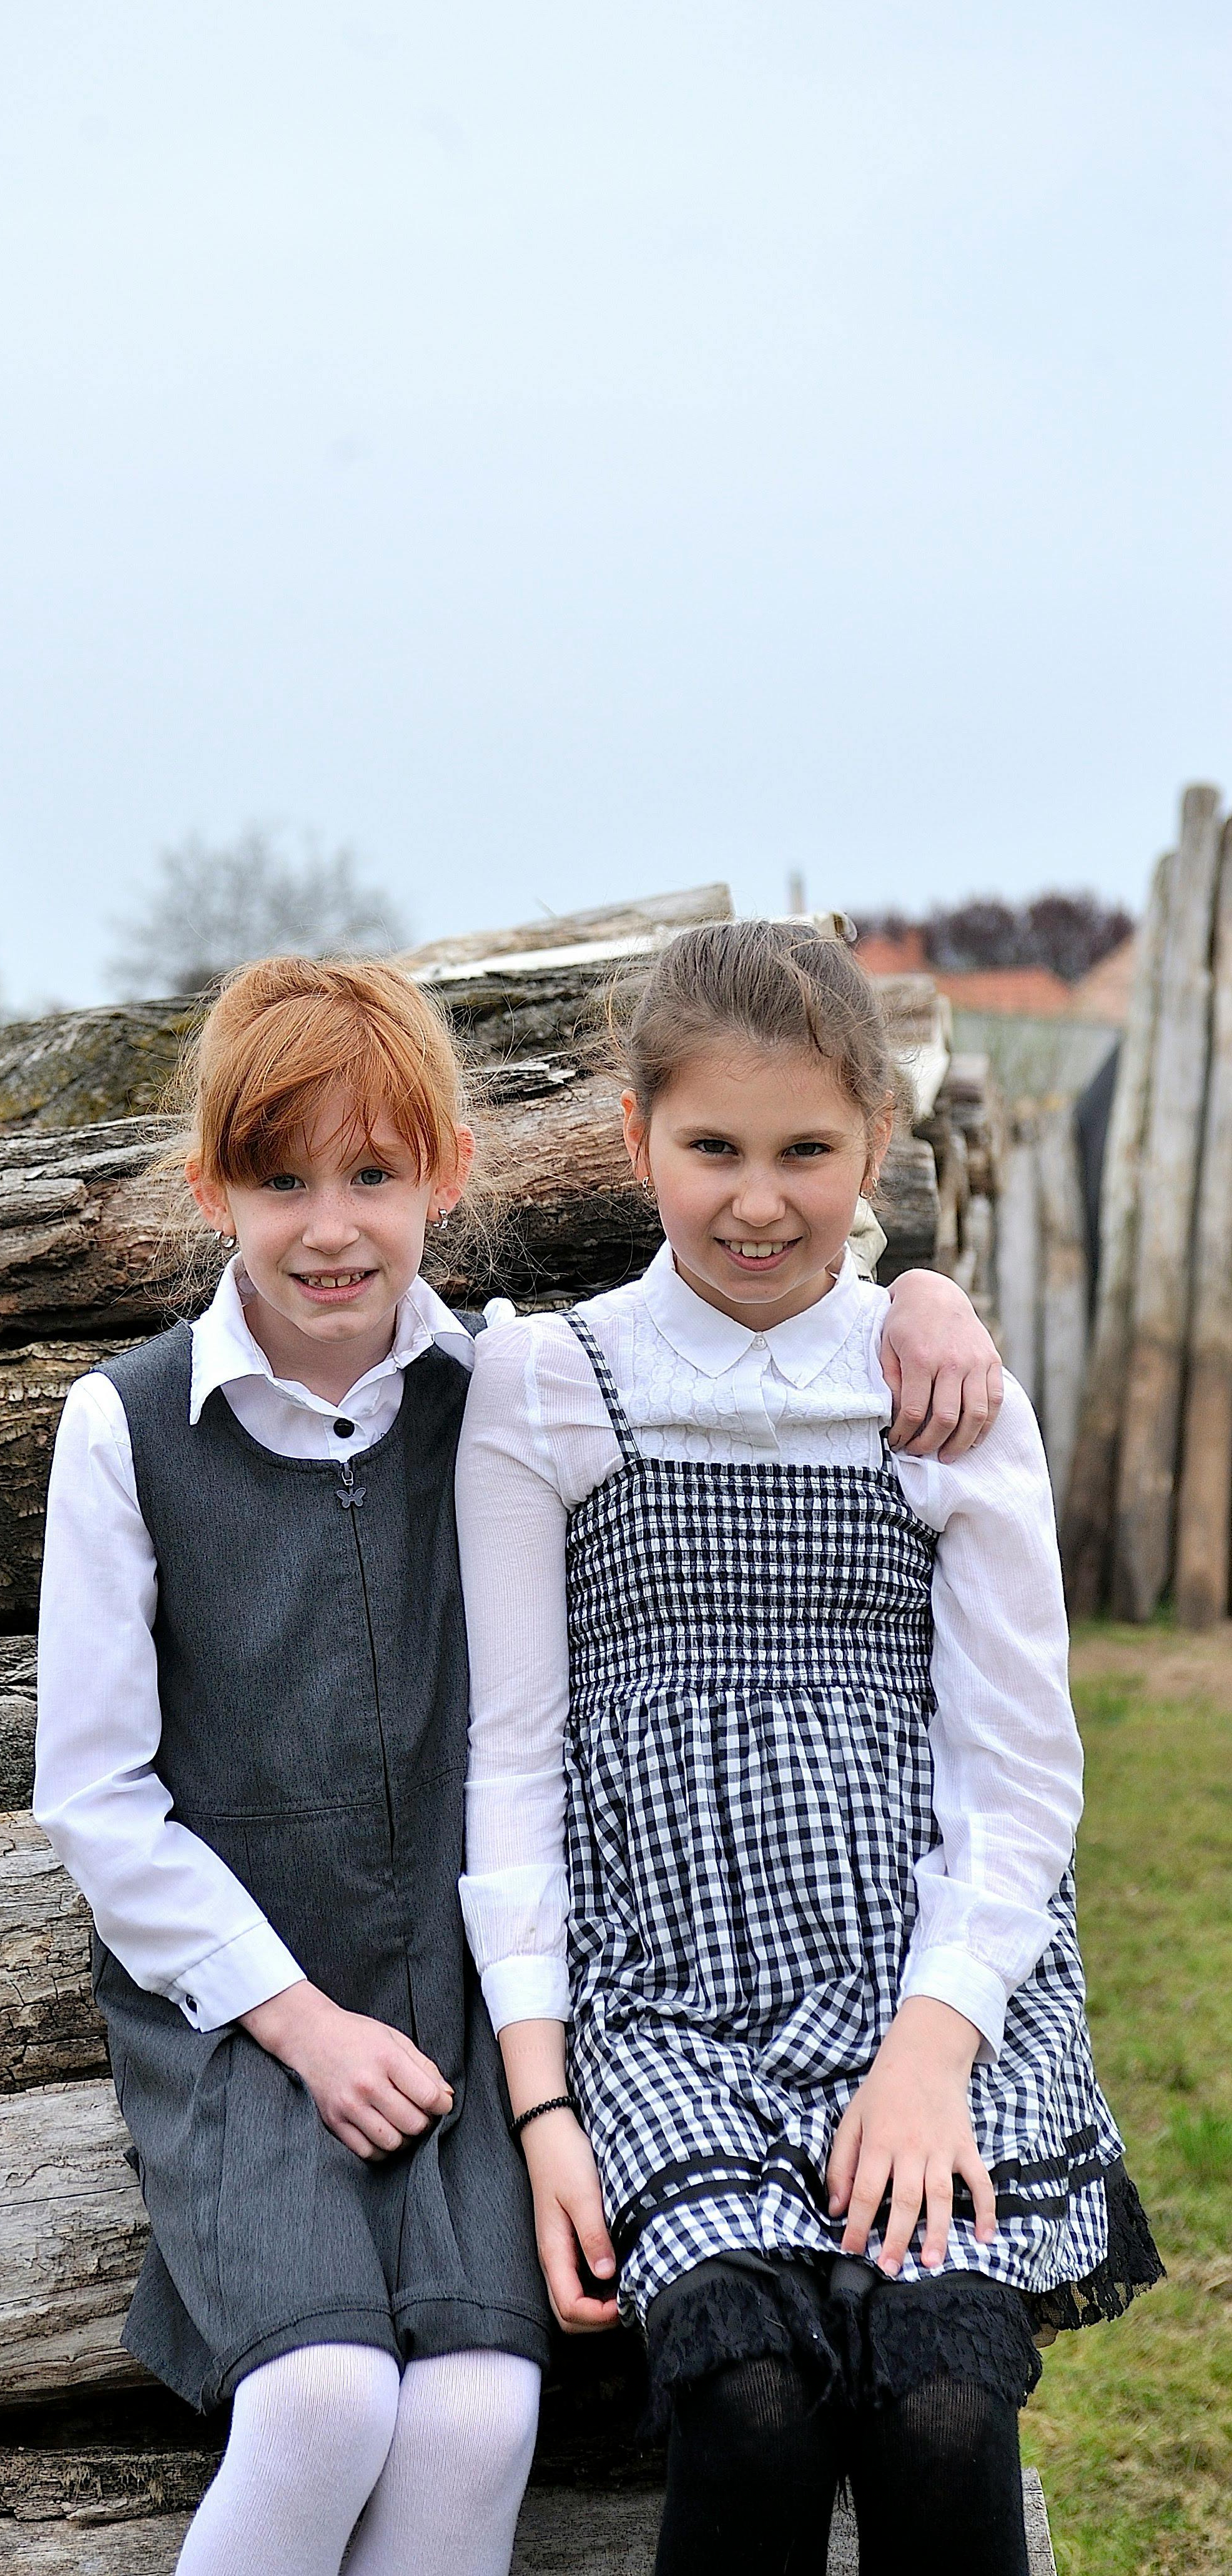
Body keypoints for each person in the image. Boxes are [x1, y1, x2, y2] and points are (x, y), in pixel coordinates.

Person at [34, 949, 1010, 2576]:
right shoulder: (126, 1430)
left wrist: (923, 1290)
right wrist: (299, 2026)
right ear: (211, 1189)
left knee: (484, 2414)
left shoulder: (507, 1384)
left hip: (463, 2006)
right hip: (253, 2016)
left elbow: (759, 1304)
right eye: (279, 1181)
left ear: (447, 1174)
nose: (330, 1224)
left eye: (373, 1173)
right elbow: (94, 1795)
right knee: (328, 2401)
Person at [456, 921, 1161, 2576]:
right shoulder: (554, 1389)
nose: (757, 1201)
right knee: (757, 2395)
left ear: (878, 1151)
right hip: (662, 1997)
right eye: (711, 1148)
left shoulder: (939, 1392)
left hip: (921, 1981)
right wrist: (543, 2100)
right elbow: (512, 1764)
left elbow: (1020, 1768)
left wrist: (929, 2058)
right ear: (636, 1140)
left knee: (937, 2406)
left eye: (807, 1153)